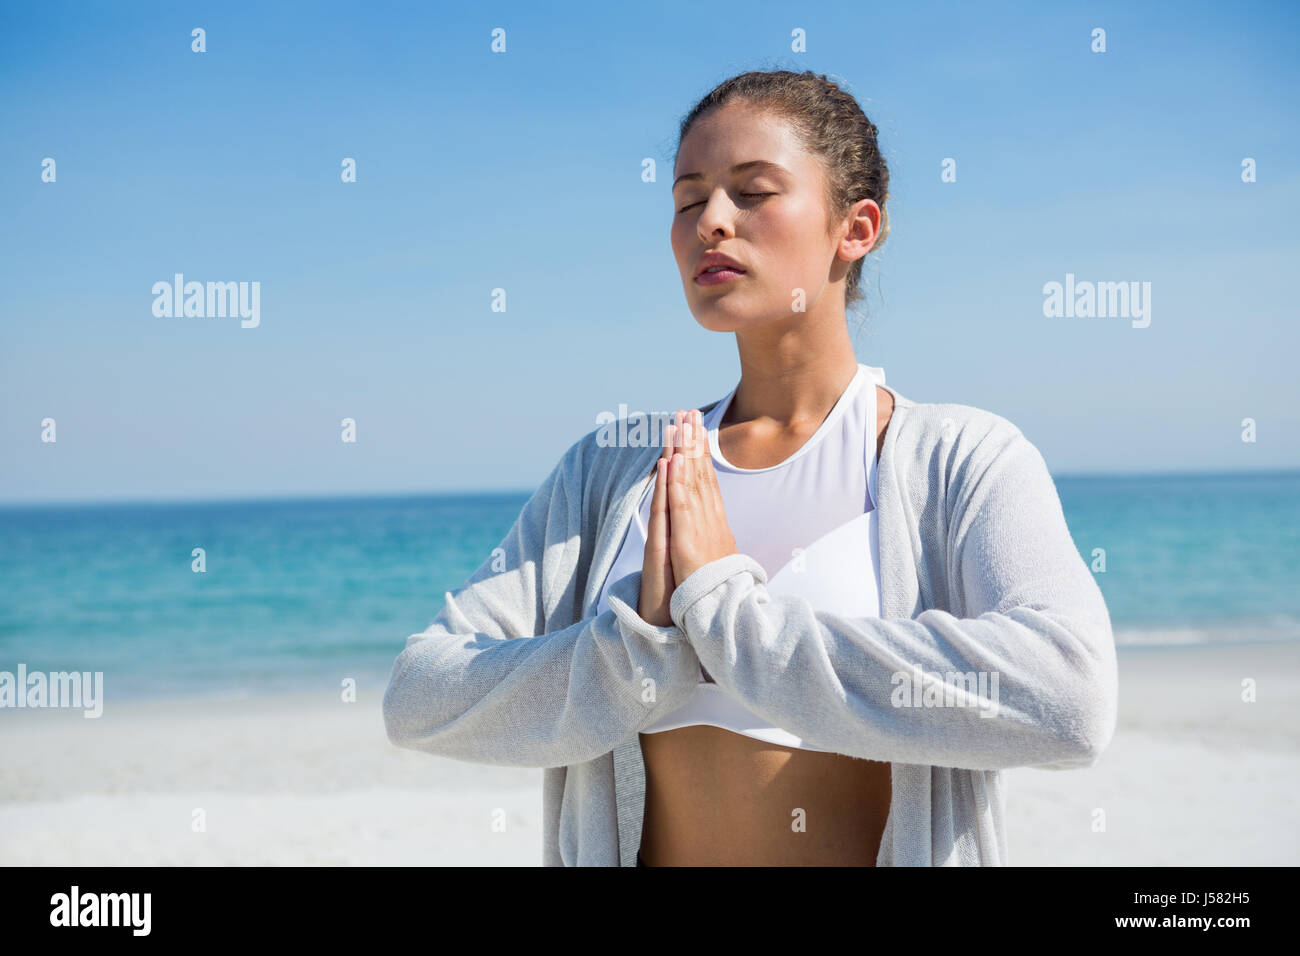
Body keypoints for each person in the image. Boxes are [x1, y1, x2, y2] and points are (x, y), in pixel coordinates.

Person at [382, 69, 1118, 867]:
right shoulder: (615, 467)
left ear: (857, 227)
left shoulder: (958, 460)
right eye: (689, 200)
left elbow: (1066, 700)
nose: (712, 224)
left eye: (753, 192)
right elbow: (421, 696)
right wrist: (639, 646)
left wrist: (728, 618)